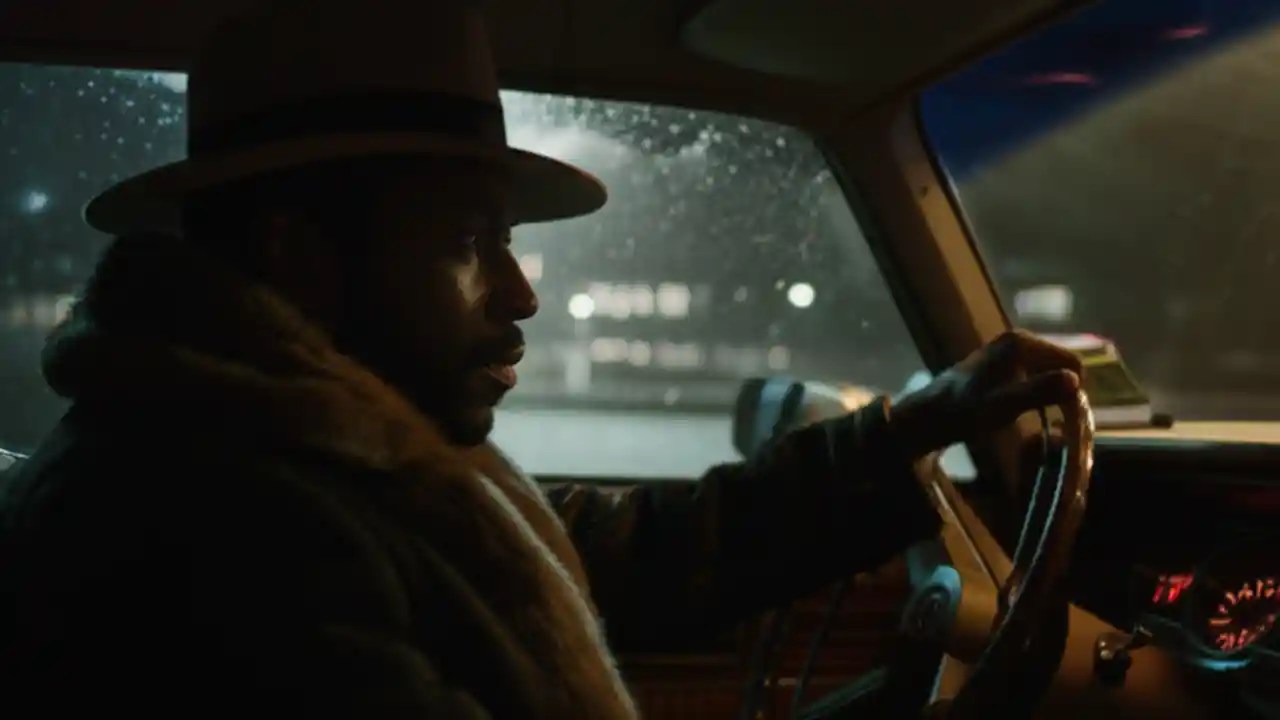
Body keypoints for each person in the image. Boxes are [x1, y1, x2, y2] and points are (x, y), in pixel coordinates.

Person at [0, 2, 1081, 718]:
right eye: (470, 244)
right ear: (303, 258)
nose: (520, 294)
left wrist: (914, 422)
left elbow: (629, 552)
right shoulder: (217, 538)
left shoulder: (335, 466)